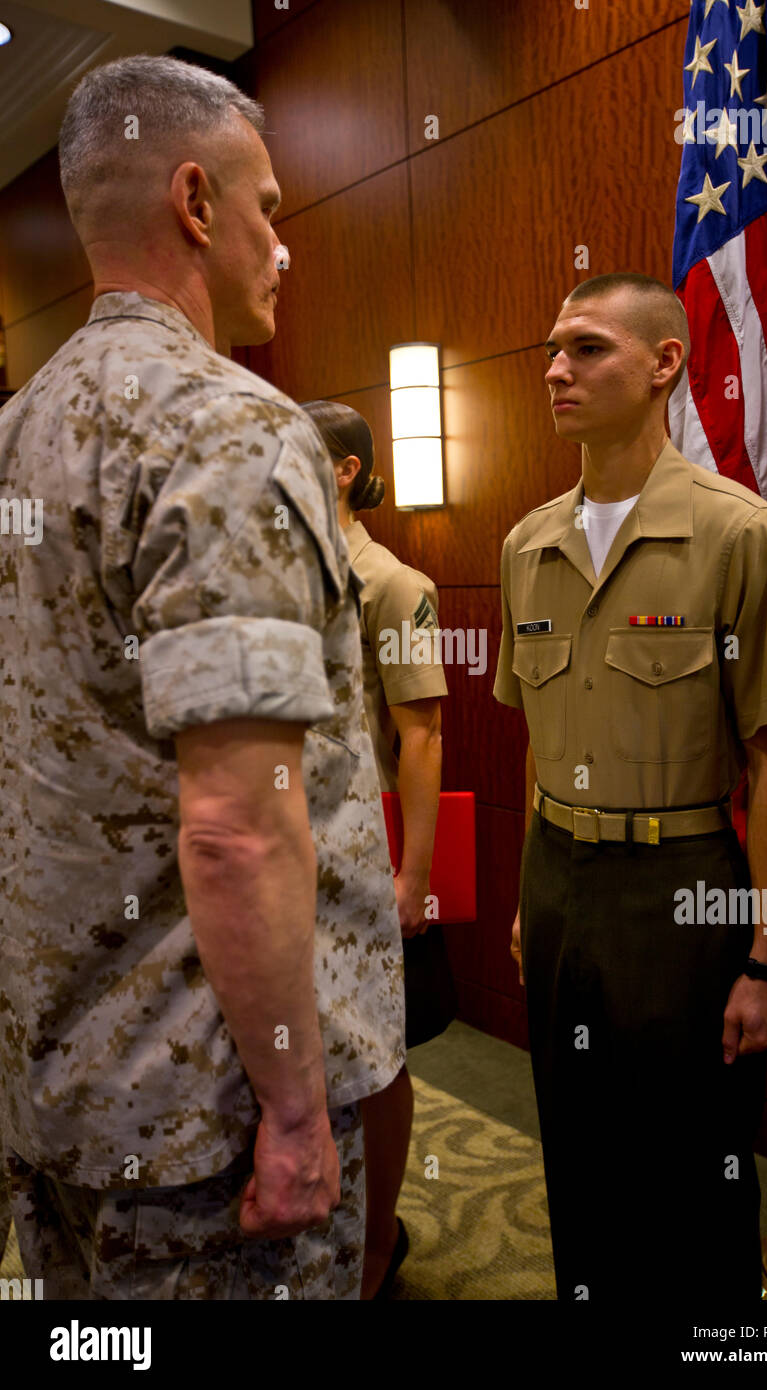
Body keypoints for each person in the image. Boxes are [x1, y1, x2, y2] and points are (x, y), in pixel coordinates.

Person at [0, 55, 404, 1300]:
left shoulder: (15, 433)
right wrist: (291, 1109)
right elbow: (236, 824)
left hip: (54, 1087)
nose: (282, 241)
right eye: (269, 205)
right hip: (207, 1123)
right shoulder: (229, 429)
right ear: (195, 199)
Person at [493, 272, 767, 1302]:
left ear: (663, 364)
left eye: (586, 347)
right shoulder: (526, 544)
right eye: (550, 349)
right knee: (576, 1148)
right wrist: (523, 897)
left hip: (683, 890)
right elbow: (534, 746)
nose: (555, 369)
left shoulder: (737, 534)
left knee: (693, 1170)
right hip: (559, 883)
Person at [301, 400, 455, 1299]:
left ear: (347, 471)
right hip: (302, 860)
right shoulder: (290, 573)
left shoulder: (393, 584)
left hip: (371, 861)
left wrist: (416, 881)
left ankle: (374, 1249)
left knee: (378, 1057)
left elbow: (422, 736)